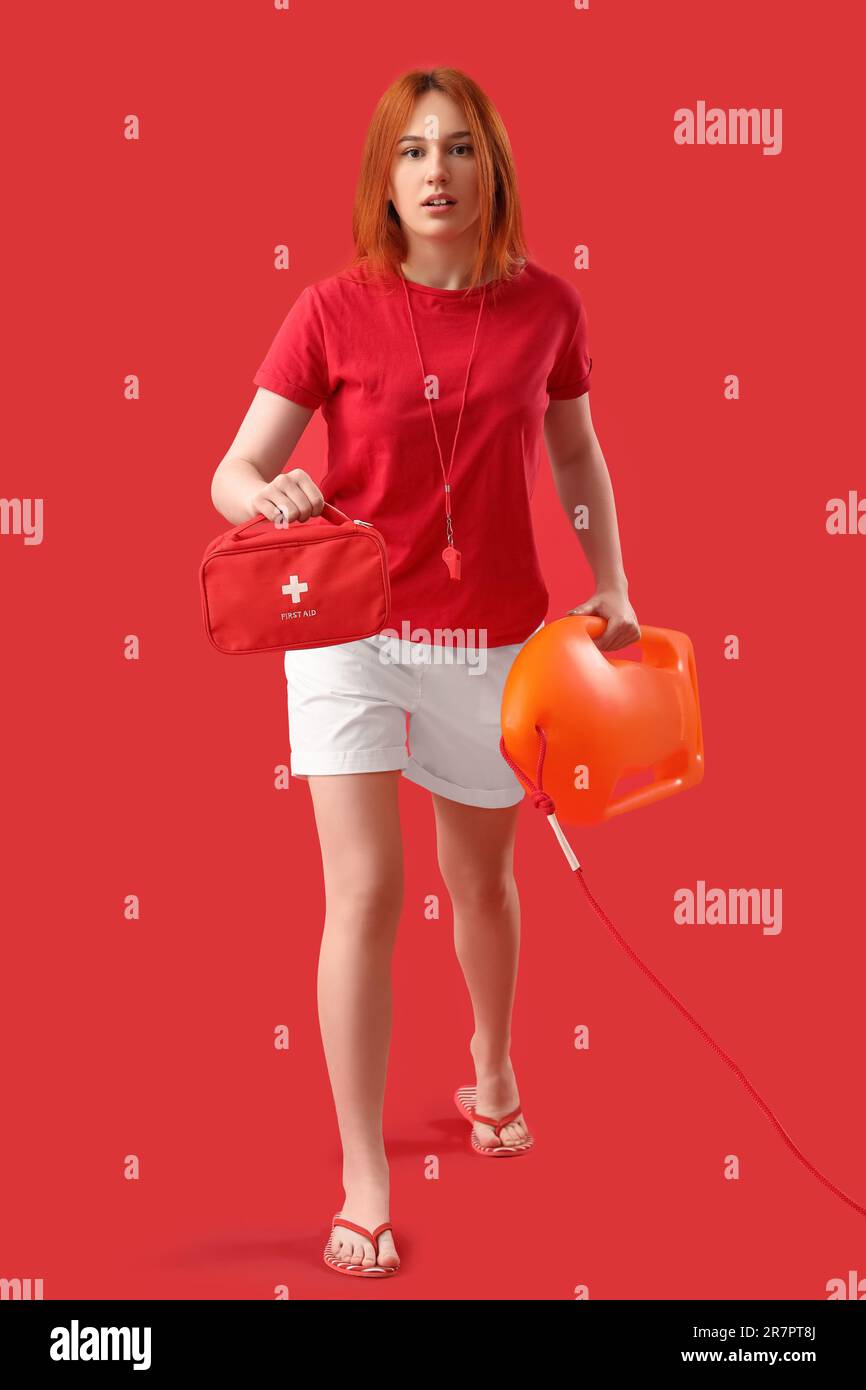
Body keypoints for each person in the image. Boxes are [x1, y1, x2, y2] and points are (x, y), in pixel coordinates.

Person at [210, 66, 640, 1278]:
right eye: (410, 153)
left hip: (492, 640)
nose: (435, 172)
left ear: (491, 169)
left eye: (457, 149)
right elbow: (232, 470)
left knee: (483, 881)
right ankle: (361, 1170)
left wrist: (611, 581)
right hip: (350, 631)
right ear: (382, 180)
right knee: (365, 895)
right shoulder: (330, 309)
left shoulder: (546, 308)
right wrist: (275, 491)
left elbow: (576, 451)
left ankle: (491, 1068)